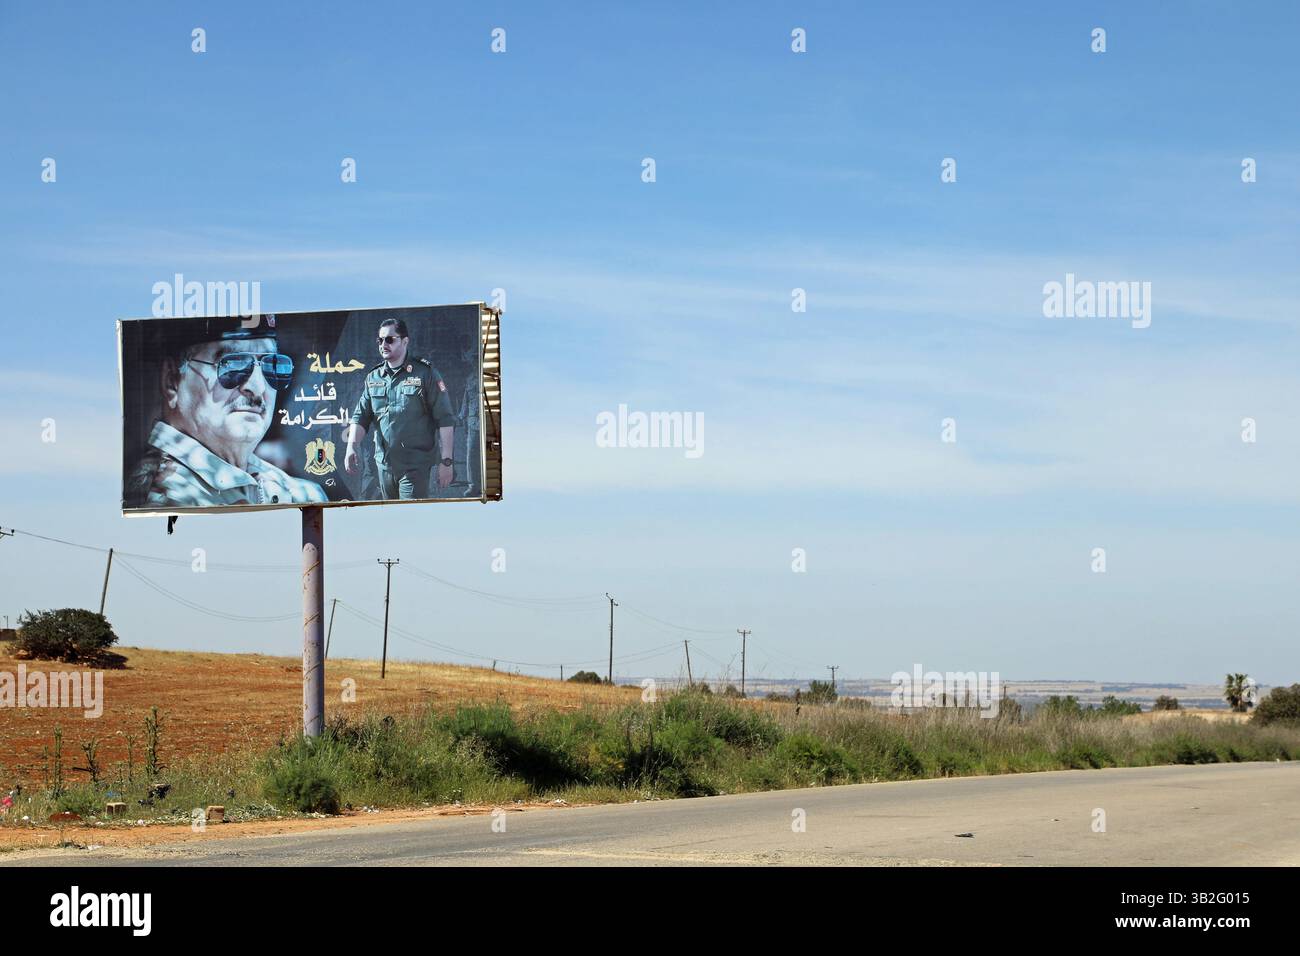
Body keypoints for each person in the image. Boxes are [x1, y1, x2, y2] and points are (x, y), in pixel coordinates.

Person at [126, 316, 327, 509]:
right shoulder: (166, 500)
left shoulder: (306, 495)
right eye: (231, 364)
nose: (258, 387)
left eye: (272, 365)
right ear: (172, 381)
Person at [345, 318, 455, 499]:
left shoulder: (425, 373)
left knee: (410, 519)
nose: (383, 345)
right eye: (380, 340)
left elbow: (445, 419)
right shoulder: (373, 377)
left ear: (405, 341)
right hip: (384, 466)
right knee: (391, 521)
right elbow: (360, 417)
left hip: (414, 467)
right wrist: (351, 447)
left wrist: (447, 461)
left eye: (389, 339)